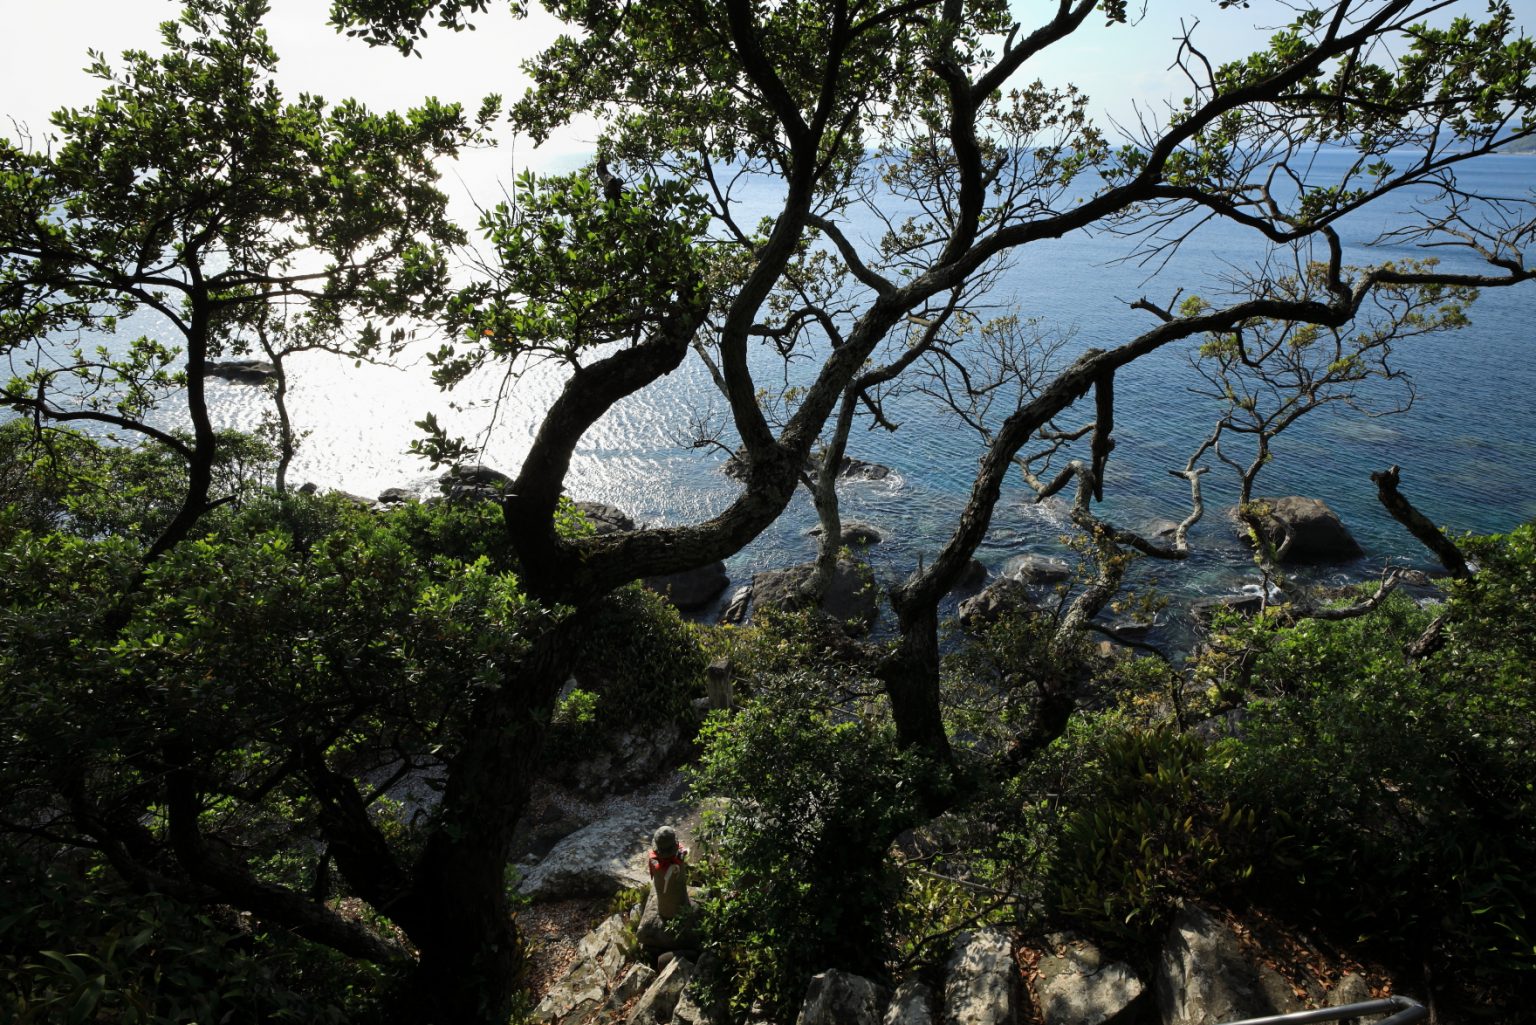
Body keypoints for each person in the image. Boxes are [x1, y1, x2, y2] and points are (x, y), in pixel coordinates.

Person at [637, 824, 699, 954]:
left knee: (665, 895)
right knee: (678, 894)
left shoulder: (658, 863)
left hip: (664, 909)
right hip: (679, 905)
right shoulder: (676, 860)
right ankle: (681, 910)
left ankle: (667, 911)